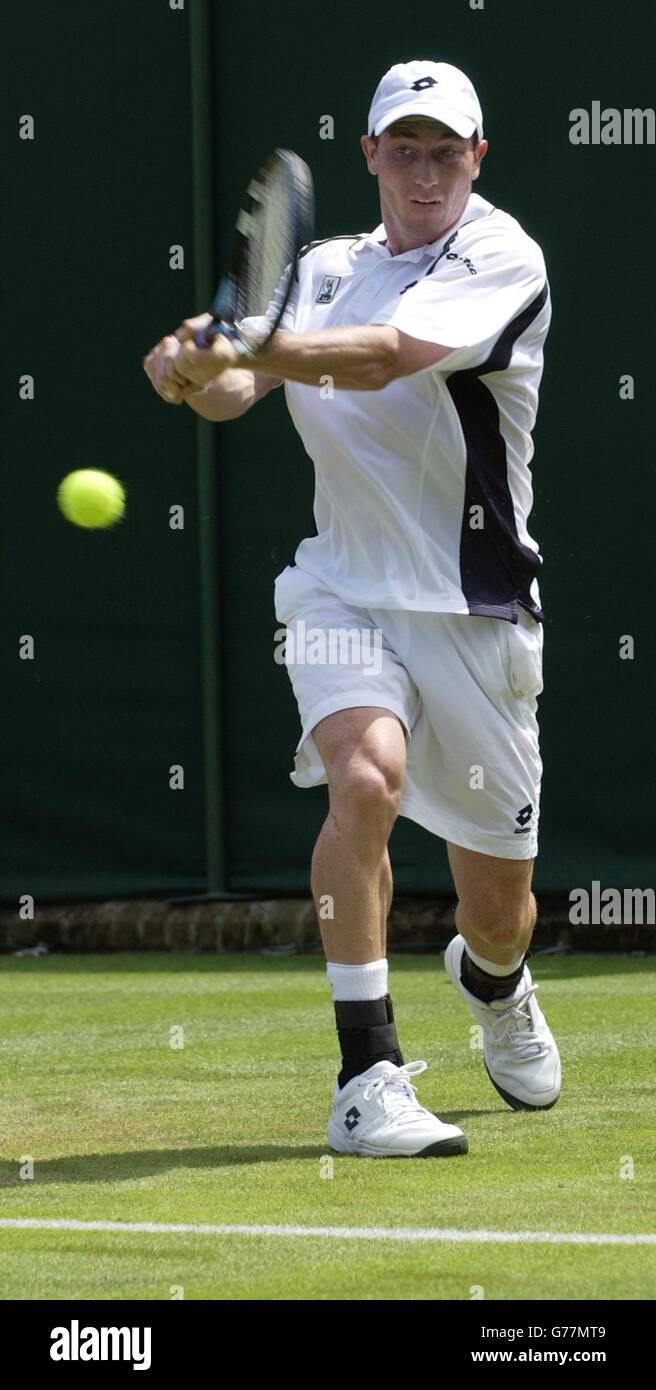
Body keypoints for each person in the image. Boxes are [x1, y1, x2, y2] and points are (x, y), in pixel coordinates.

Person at [144, 59, 560, 1160]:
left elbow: (379, 361)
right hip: (339, 588)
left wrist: (245, 341)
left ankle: (493, 980)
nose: (425, 170)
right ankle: (366, 1073)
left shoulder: (500, 257)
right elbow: (242, 390)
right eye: (404, 148)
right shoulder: (324, 272)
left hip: (474, 611)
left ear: (477, 159)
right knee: (363, 778)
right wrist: (194, 367)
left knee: (496, 909)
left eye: (446, 150)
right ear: (368, 155)